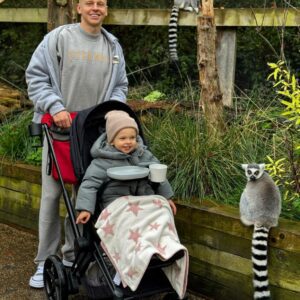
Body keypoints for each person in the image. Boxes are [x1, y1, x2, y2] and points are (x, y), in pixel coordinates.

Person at [26, 0, 128, 289]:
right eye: (89, 3)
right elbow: (35, 78)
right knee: (51, 198)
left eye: (101, 3)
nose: (96, 7)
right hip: (59, 130)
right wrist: (54, 106)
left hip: (92, 135)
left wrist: (113, 109)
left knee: (84, 197)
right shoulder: (59, 39)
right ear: (79, 8)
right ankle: (44, 261)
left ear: (106, 9)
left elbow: (120, 86)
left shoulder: (113, 47)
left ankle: (71, 256)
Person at [75, 110, 177, 225]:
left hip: (144, 199)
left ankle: (162, 242)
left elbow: (159, 177)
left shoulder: (144, 155)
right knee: (130, 221)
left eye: (132, 137)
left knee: (162, 214)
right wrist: (85, 208)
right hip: (116, 202)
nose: (128, 142)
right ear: (112, 140)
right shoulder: (102, 161)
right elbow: (89, 185)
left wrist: (167, 197)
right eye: (122, 138)